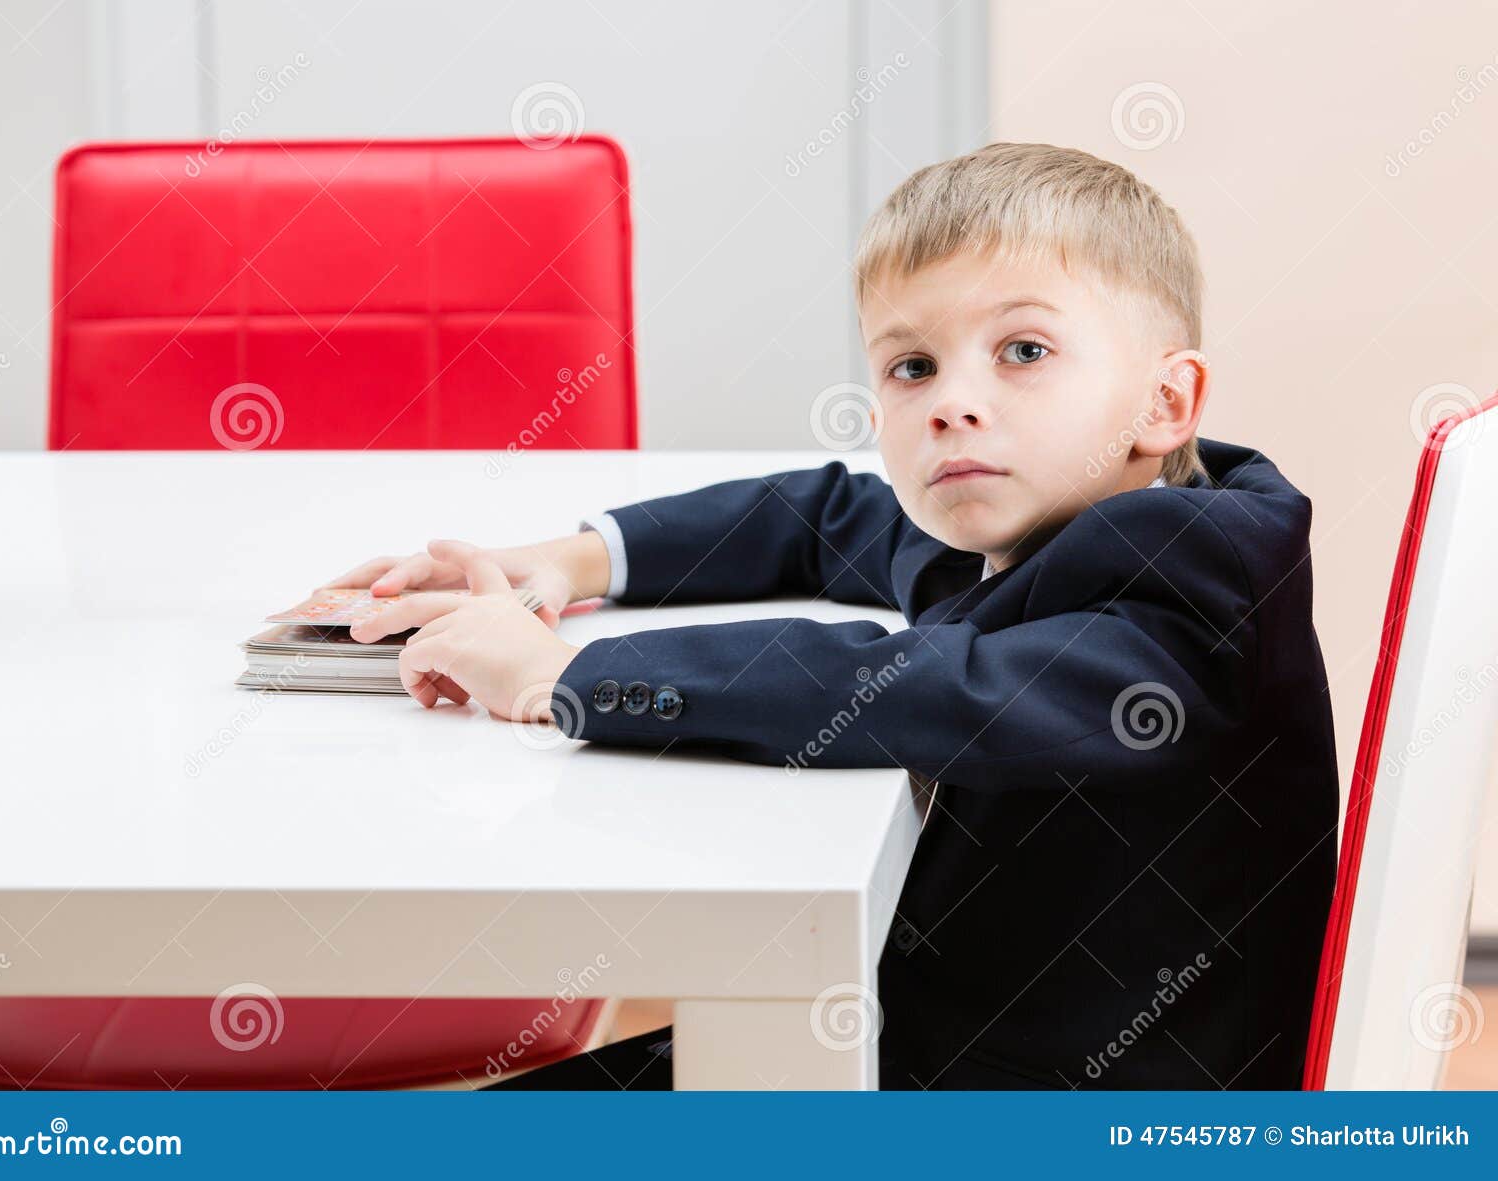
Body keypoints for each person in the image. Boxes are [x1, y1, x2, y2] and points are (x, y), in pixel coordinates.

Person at [328, 143, 1338, 1090]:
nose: (951, 402)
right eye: (913, 366)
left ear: (1165, 402)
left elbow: (930, 687)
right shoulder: (1031, 518)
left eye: (1023, 350)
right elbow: (827, 516)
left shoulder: (1192, 592)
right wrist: (569, 560)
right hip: (924, 1033)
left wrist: (564, 675)